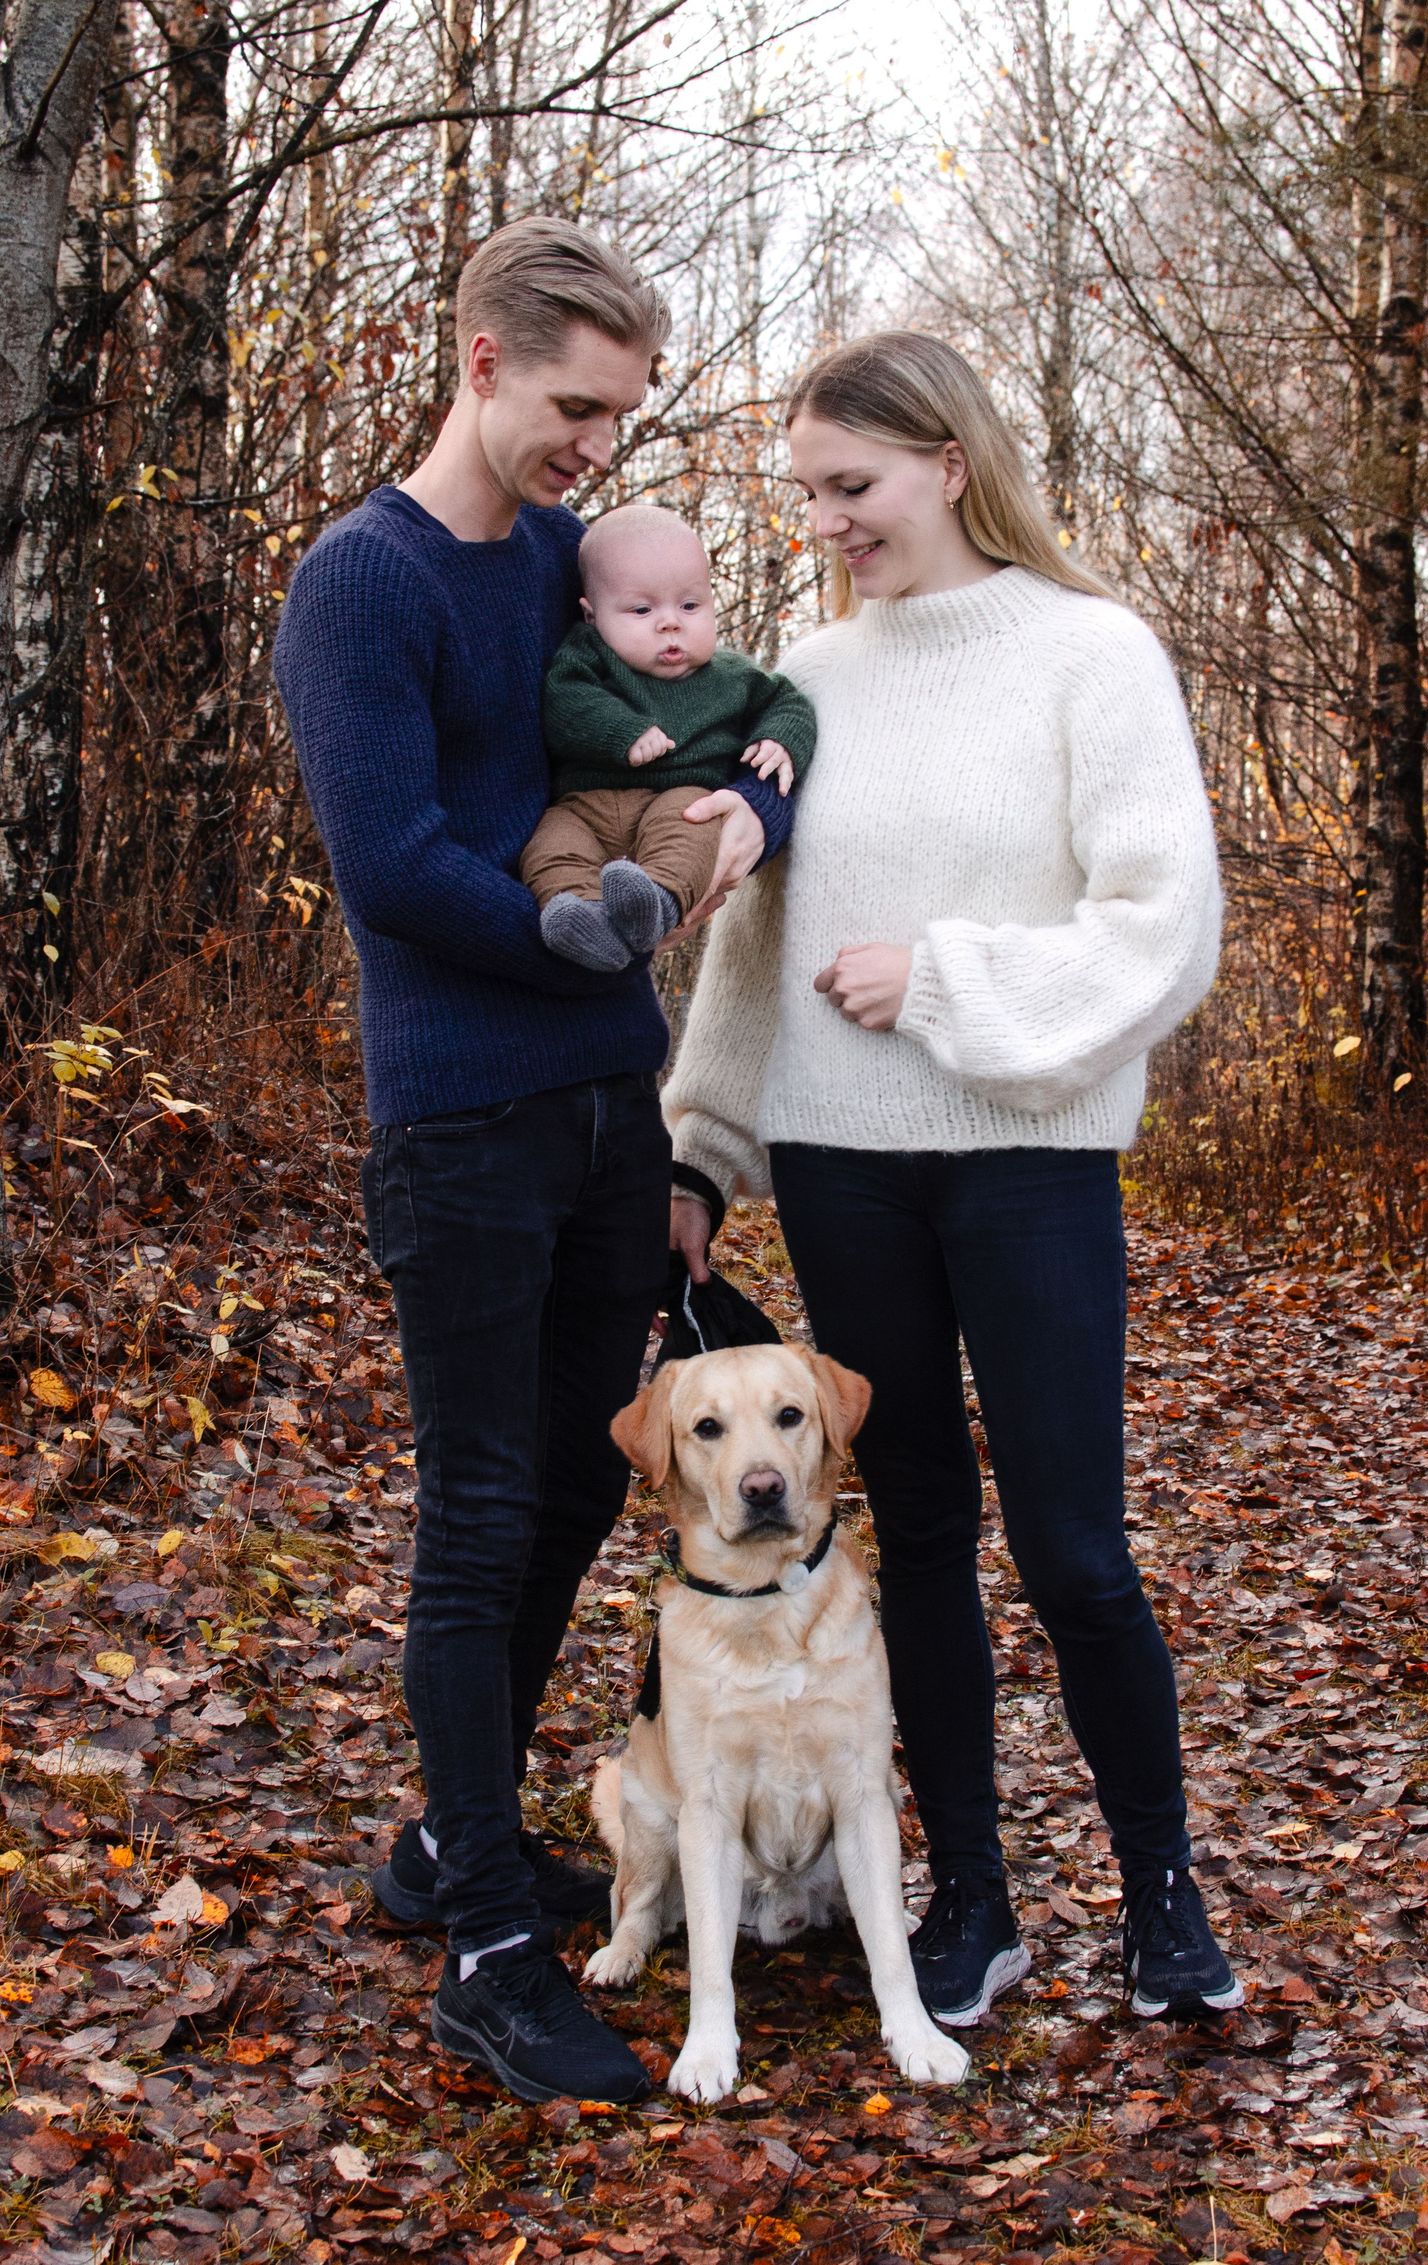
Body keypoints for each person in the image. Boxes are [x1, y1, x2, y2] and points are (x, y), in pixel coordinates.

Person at [272, 216, 792, 2106]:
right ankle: (491, 1943)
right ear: (478, 360)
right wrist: (596, 929)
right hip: (464, 1115)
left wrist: (741, 804)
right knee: (480, 1511)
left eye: (623, 411)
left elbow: (702, 716)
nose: (596, 443)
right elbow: (395, 865)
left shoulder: (584, 569)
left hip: (607, 1119)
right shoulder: (361, 585)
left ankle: (445, 1843)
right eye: (575, 403)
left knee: (589, 1480)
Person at [665, 331, 1244, 2028]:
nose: (828, 526)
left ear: (951, 466)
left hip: (1029, 1162)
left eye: (852, 489)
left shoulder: (1094, 655)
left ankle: (1162, 1896)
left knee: (1075, 1550)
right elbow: (758, 943)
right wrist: (704, 1142)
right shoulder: (809, 683)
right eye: (809, 499)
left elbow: (1163, 925)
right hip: (845, 1168)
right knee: (913, 1530)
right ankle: (970, 1901)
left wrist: (946, 982)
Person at [523, 503, 816, 969]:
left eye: (690, 605)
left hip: (679, 798)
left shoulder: (732, 675)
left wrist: (779, 739)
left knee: (693, 832)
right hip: (585, 804)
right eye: (642, 609)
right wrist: (623, 731)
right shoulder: (587, 660)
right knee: (550, 843)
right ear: (592, 615)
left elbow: (787, 702)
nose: (670, 622)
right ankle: (579, 916)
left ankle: (654, 904)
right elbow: (565, 704)